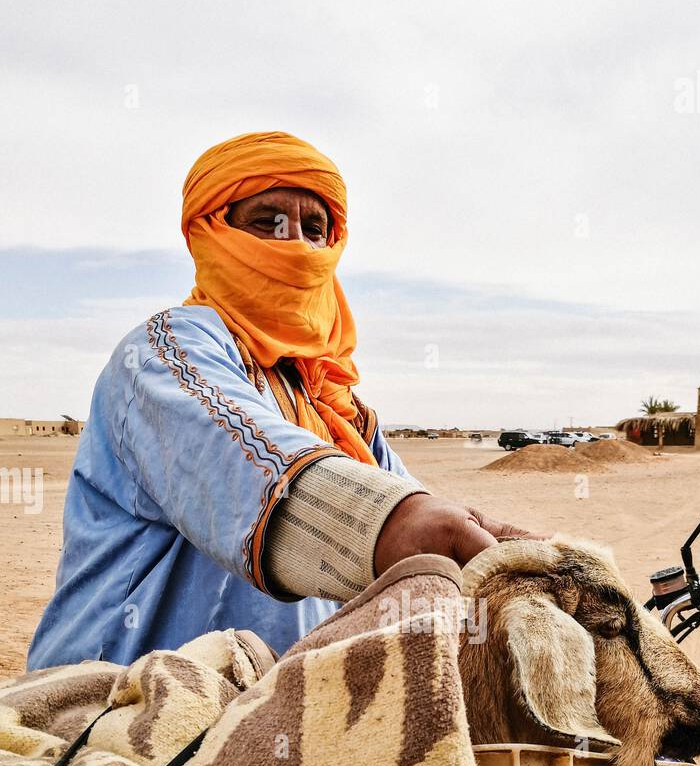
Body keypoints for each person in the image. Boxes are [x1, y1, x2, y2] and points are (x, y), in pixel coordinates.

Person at [28, 131, 526, 668]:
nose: (299, 248)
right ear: (210, 233)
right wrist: (400, 527)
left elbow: (418, 510)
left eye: (316, 229)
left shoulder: (334, 404)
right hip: (112, 702)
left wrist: (514, 553)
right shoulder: (164, 353)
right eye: (270, 223)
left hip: (267, 716)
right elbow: (245, 465)